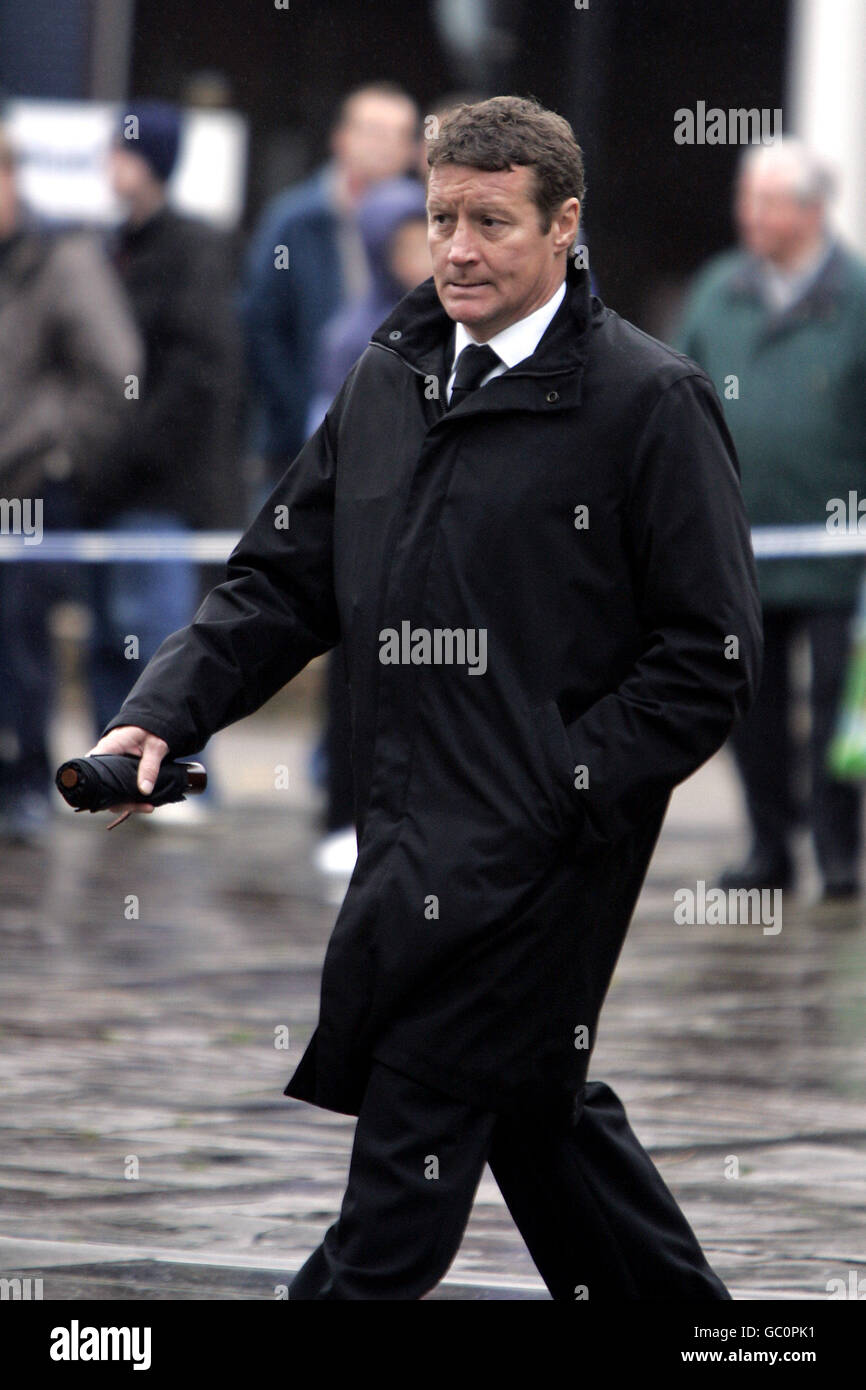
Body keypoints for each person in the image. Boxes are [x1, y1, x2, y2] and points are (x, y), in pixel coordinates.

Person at [85, 96, 762, 1300]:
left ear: (563, 227)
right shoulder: (389, 379)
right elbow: (278, 582)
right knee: (541, 1128)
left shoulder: (646, 401)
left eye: (490, 222)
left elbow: (705, 654)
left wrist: (562, 783)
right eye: (441, 216)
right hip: (406, 837)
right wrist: (162, 713)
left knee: (397, 1197)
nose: (455, 246)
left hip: (540, 864)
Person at [675, 138, 866, 901]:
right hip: (742, 545)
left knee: (832, 707)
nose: (749, 214)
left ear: (813, 210)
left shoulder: (856, 295)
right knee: (742, 699)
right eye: (746, 198)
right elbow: (681, 396)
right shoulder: (720, 288)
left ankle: (839, 847)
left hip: (839, 552)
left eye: (768, 201)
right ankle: (768, 846)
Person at [87, 100, 242, 808]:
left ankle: (182, 786)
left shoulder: (193, 249)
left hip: (163, 488)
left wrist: (132, 449)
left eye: (123, 151)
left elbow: (195, 372)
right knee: (108, 639)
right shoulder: (111, 246)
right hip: (109, 487)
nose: (109, 165)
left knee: (157, 641)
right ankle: (114, 778)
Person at [0, 125, 142, 844]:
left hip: (28, 482)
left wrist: (63, 458)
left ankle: (24, 780)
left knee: (21, 634)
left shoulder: (61, 257)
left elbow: (116, 367)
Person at [306, 174, 431, 879]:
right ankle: (339, 813)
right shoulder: (353, 337)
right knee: (353, 685)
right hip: (363, 545)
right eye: (404, 242)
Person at [240, 82, 419, 506]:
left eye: (397, 134)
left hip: (396, 449)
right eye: (371, 130)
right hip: (294, 449)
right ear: (340, 138)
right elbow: (260, 323)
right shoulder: (294, 219)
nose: (383, 145)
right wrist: (302, 407)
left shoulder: (429, 224)